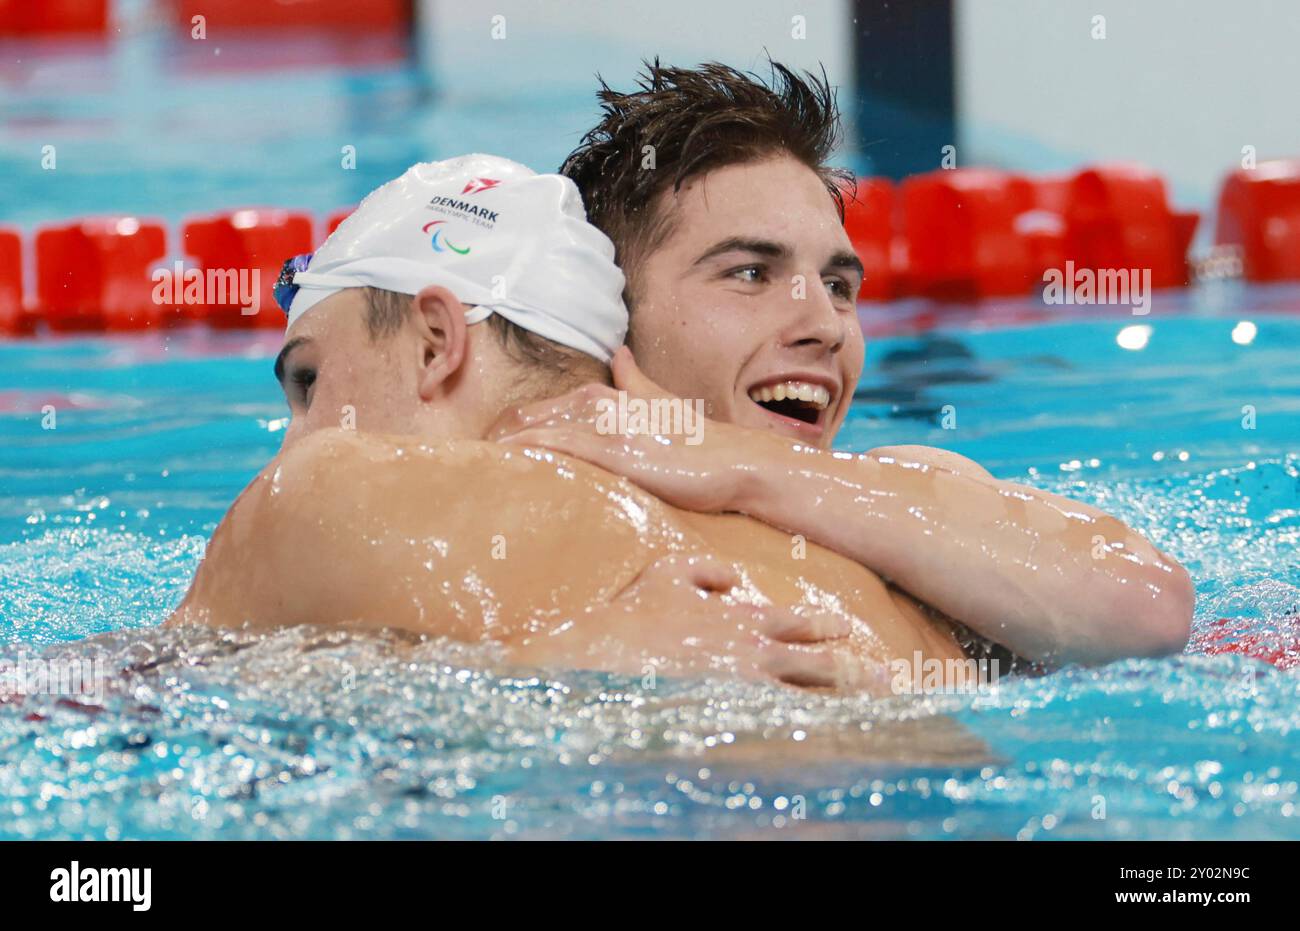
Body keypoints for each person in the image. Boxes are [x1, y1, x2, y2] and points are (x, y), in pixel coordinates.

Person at [167, 154, 977, 694]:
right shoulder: (904, 528)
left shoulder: (323, 494)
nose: (295, 439)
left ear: (435, 342)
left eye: (309, 381)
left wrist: (565, 667)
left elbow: (93, 706)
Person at [489, 61, 1194, 668]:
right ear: (613, 315)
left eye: (838, 286)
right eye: (750, 273)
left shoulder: (910, 491)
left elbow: (1150, 608)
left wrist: (737, 463)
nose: (825, 327)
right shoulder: (529, 515)